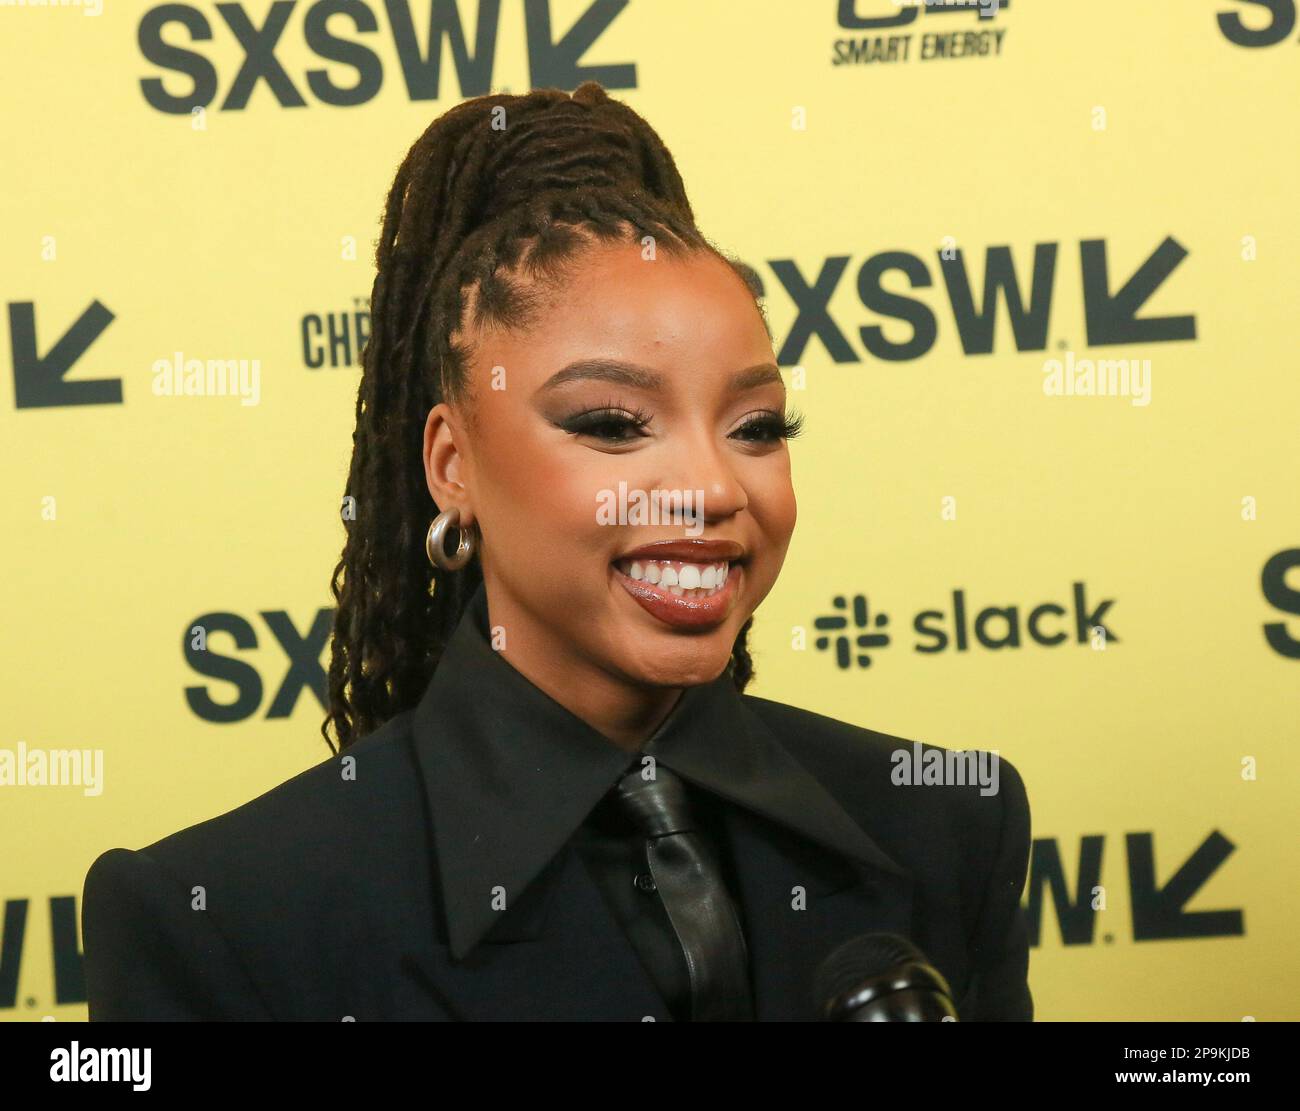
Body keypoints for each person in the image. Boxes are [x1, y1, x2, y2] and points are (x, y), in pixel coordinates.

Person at [81, 81, 1032, 1021]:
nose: (712, 487)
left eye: (757, 424)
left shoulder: (943, 826)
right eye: (614, 423)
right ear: (453, 464)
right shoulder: (224, 919)